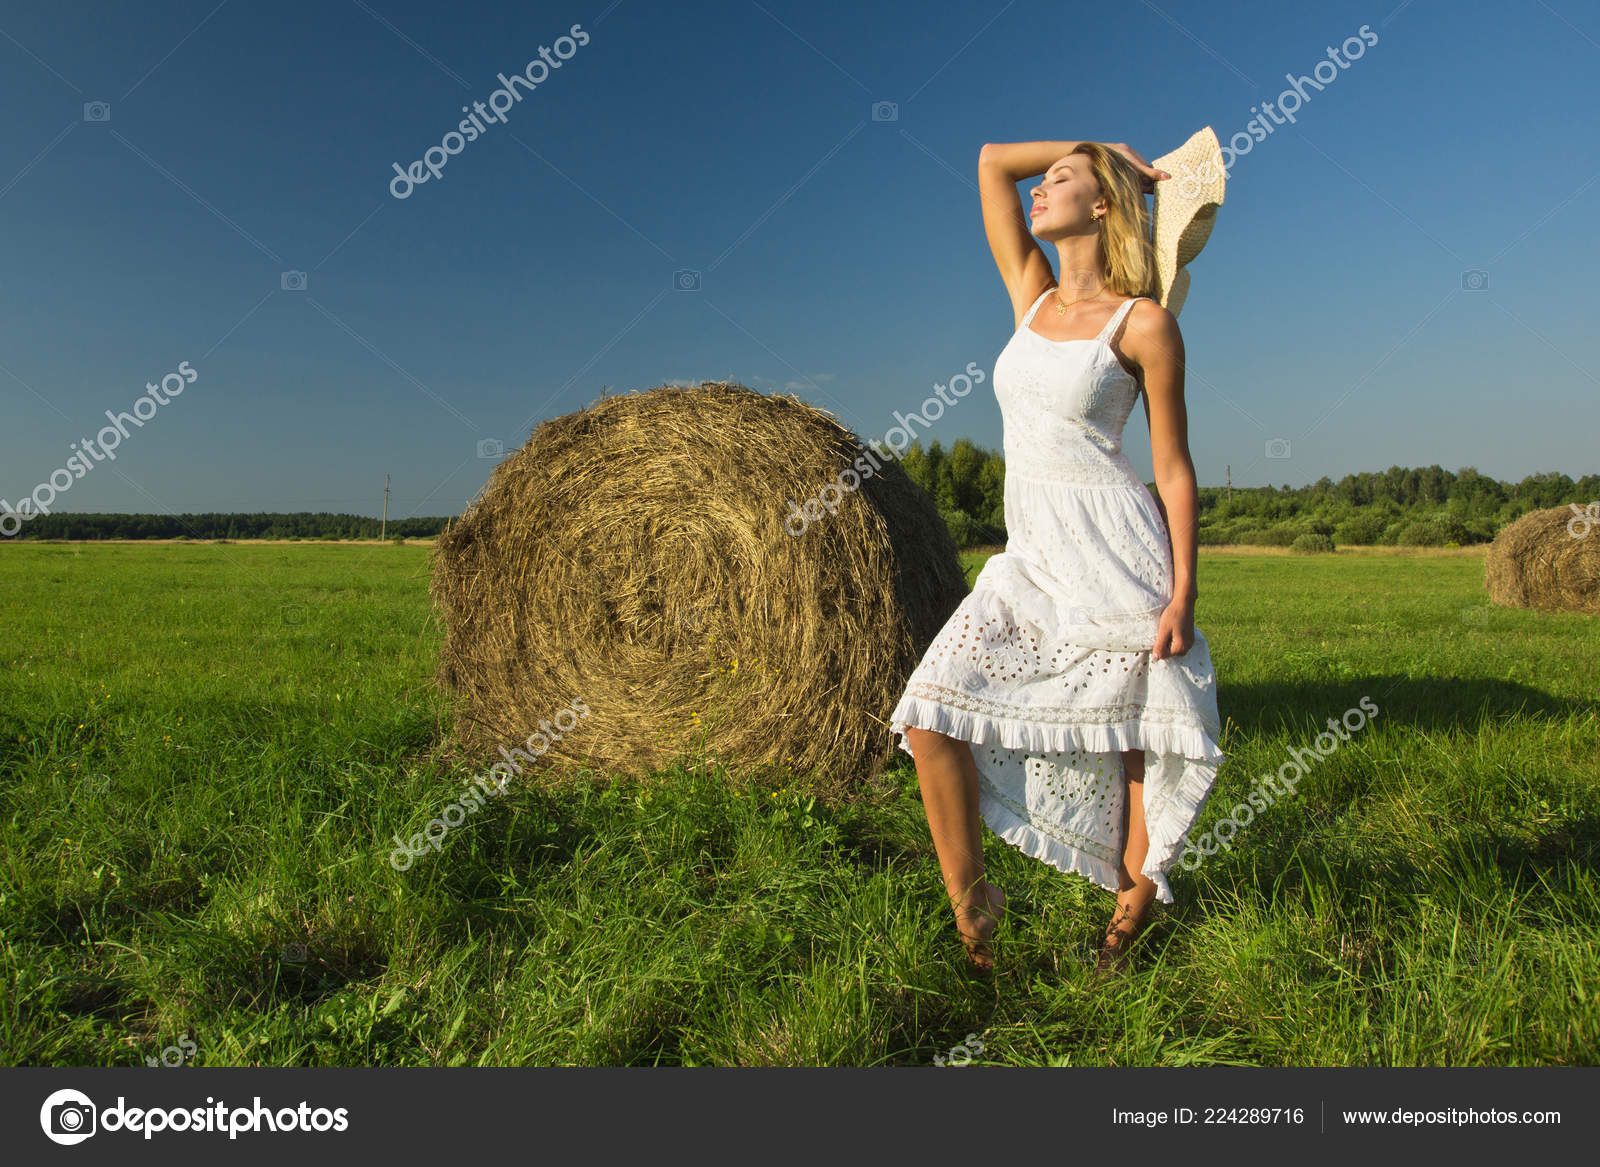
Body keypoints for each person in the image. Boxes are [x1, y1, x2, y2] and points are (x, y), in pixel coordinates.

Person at [888, 138, 1225, 976]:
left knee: (1140, 731)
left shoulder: (1144, 324)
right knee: (929, 715)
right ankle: (976, 909)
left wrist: (1184, 590)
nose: (1041, 188)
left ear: (1103, 205)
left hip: (1117, 551)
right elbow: (991, 161)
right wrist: (1099, 145)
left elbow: (1174, 468)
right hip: (1031, 558)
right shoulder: (1029, 297)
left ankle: (1128, 914)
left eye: (1063, 180)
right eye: (1048, 181)